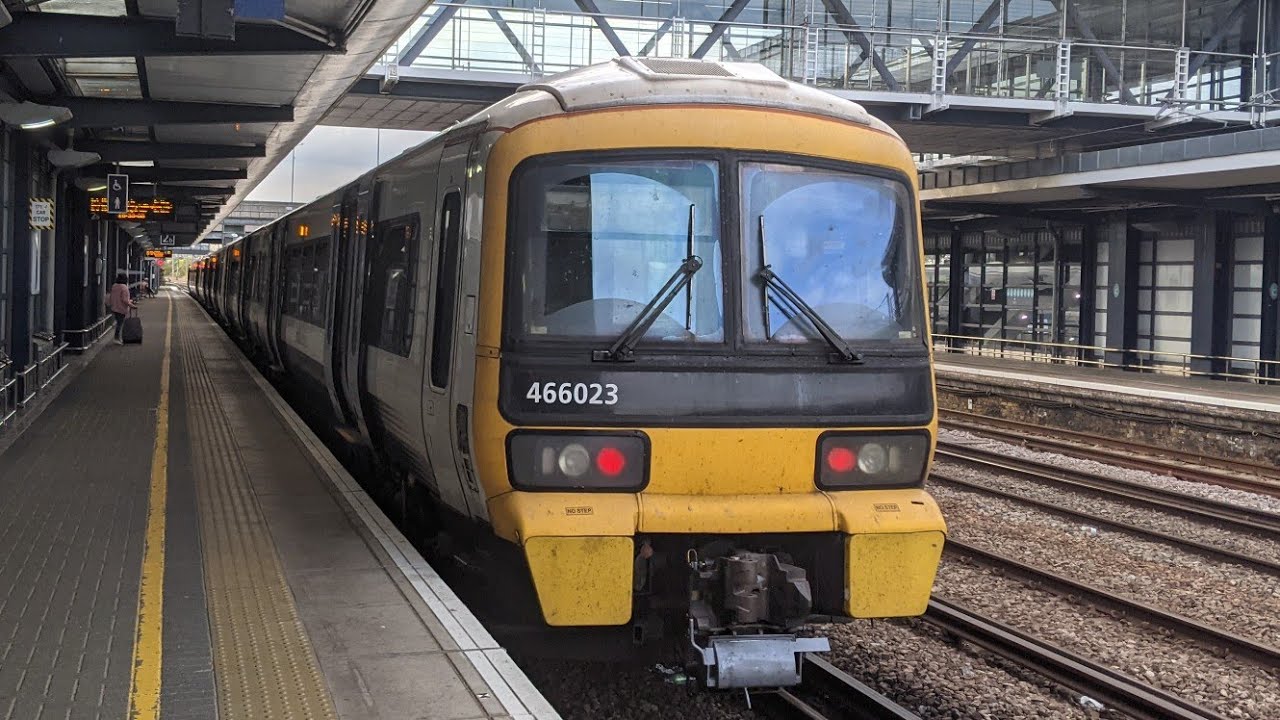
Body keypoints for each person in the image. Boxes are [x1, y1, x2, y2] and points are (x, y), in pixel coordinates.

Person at [108, 273, 137, 345]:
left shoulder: (114, 286)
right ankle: (117, 338)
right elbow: (124, 300)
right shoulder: (124, 287)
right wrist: (131, 305)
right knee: (120, 324)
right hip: (121, 308)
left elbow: (112, 296)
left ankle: (117, 338)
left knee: (118, 323)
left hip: (114, 307)